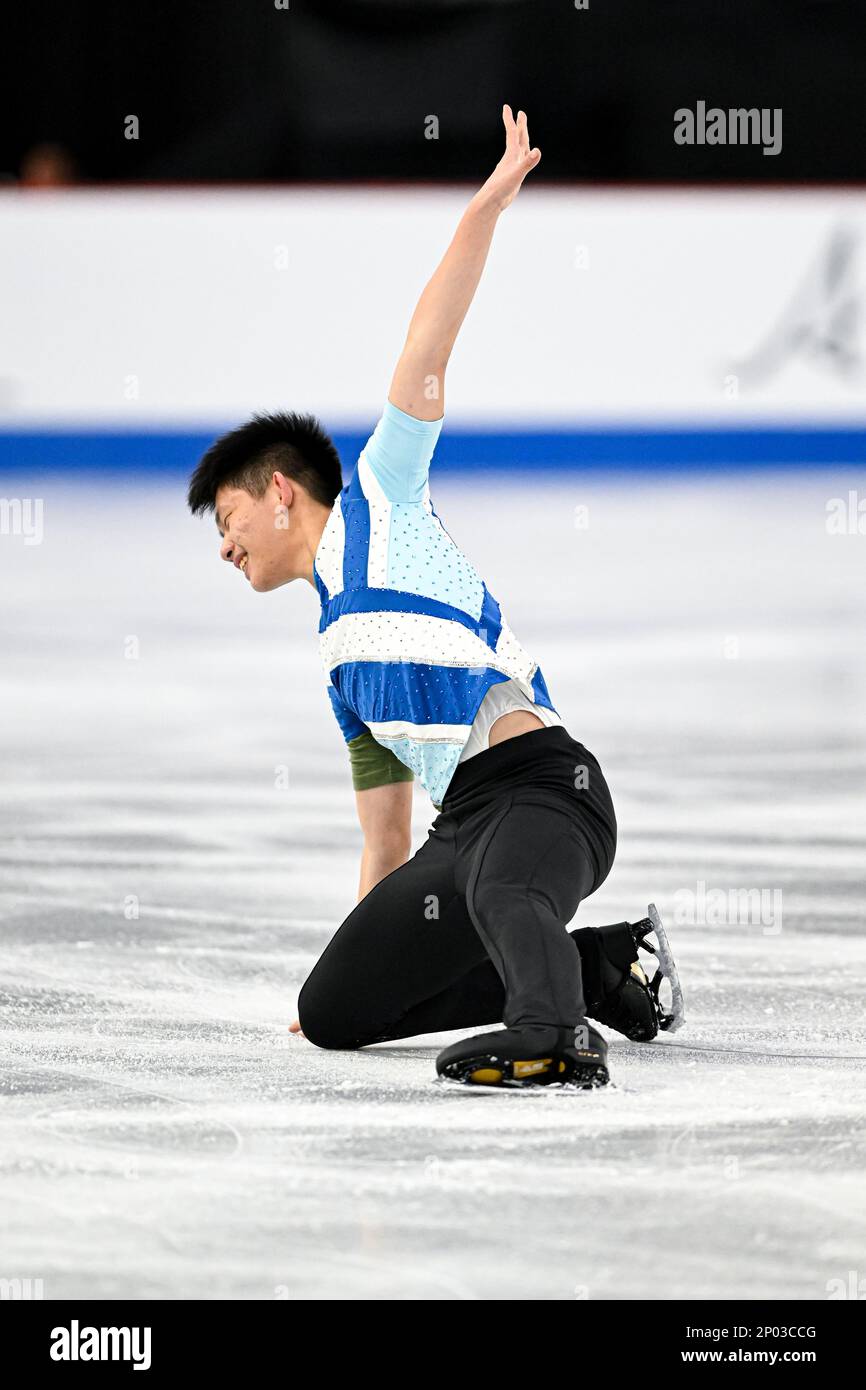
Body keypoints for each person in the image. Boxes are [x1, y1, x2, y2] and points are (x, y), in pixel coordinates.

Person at [188, 106, 683, 1088]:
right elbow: (384, 837)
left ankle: (555, 1035)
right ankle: (597, 965)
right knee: (334, 1010)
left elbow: (430, 333)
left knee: (504, 886)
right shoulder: (338, 663)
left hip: (548, 791)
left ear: (280, 489)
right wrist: (371, 956)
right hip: (457, 833)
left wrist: (486, 207)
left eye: (228, 518)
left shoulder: (383, 491)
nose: (226, 546)